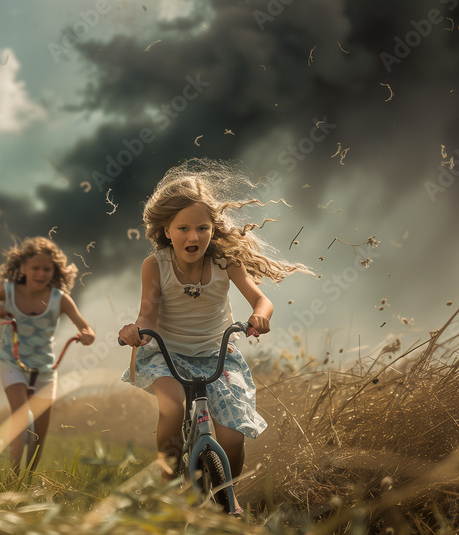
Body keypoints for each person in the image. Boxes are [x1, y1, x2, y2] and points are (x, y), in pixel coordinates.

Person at [117, 159, 312, 494]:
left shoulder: (226, 262)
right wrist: (134, 330)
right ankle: (170, 481)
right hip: (167, 355)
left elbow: (260, 300)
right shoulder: (155, 265)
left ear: (213, 229)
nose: (194, 236)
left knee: (233, 439)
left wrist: (260, 316)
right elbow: (147, 316)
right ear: (166, 231)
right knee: (173, 405)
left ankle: (225, 497)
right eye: (183, 229)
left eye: (202, 228)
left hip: (216, 355)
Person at [0, 236, 95, 473]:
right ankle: (13, 478)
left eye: (47, 269)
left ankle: (28, 478)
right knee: (22, 419)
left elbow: (86, 327)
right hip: (13, 364)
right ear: (23, 268)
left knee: (39, 433)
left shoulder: (60, 299)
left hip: (45, 371)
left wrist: (86, 335)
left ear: (54, 271)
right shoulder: (8, 291)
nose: (41, 273)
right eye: (35, 267)